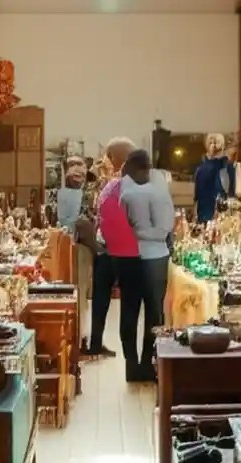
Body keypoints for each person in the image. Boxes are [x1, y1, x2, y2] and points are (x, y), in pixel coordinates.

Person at [120, 149, 174, 381]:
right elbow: (165, 228)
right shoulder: (159, 188)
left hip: (129, 256)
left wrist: (135, 232)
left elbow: (117, 223)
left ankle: (133, 366)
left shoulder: (124, 189)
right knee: (153, 313)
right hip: (155, 257)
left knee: (130, 312)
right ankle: (148, 364)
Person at [94, 138, 143, 379]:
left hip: (111, 252)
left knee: (123, 310)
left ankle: (131, 364)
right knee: (135, 311)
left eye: (108, 156)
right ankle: (139, 366)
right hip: (133, 255)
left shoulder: (110, 188)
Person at [87, 138, 135, 357]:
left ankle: (99, 344)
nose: (104, 159)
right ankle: (100, 344)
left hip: (113, 249)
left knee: (104, 299)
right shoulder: (124, 181)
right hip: (119, 250)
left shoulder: (122, 183)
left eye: (108, 155)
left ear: (116, 158)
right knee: (110, 299)